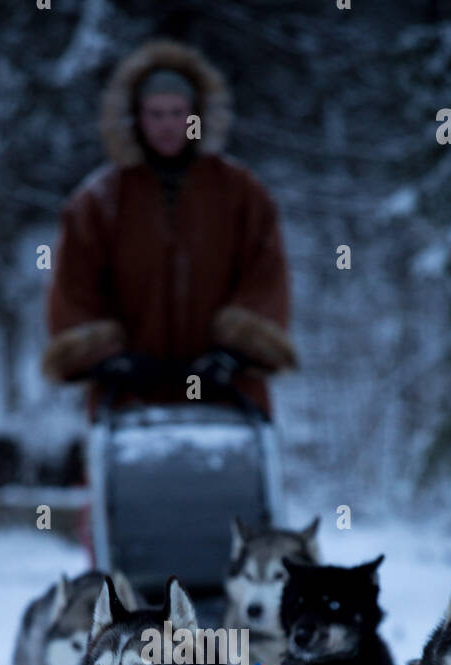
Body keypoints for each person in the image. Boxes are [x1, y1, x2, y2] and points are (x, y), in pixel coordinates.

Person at [43, 39, 297, 418]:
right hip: (130, 397)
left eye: (179, 113)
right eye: (155, 114)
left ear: (197, 117)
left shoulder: (241, 193)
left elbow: (266, 274)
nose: (168, 125)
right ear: (136, 118)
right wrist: (109, 356)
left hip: (227, 394)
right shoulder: (98, 201)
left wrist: (234, 352)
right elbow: (73, 288)